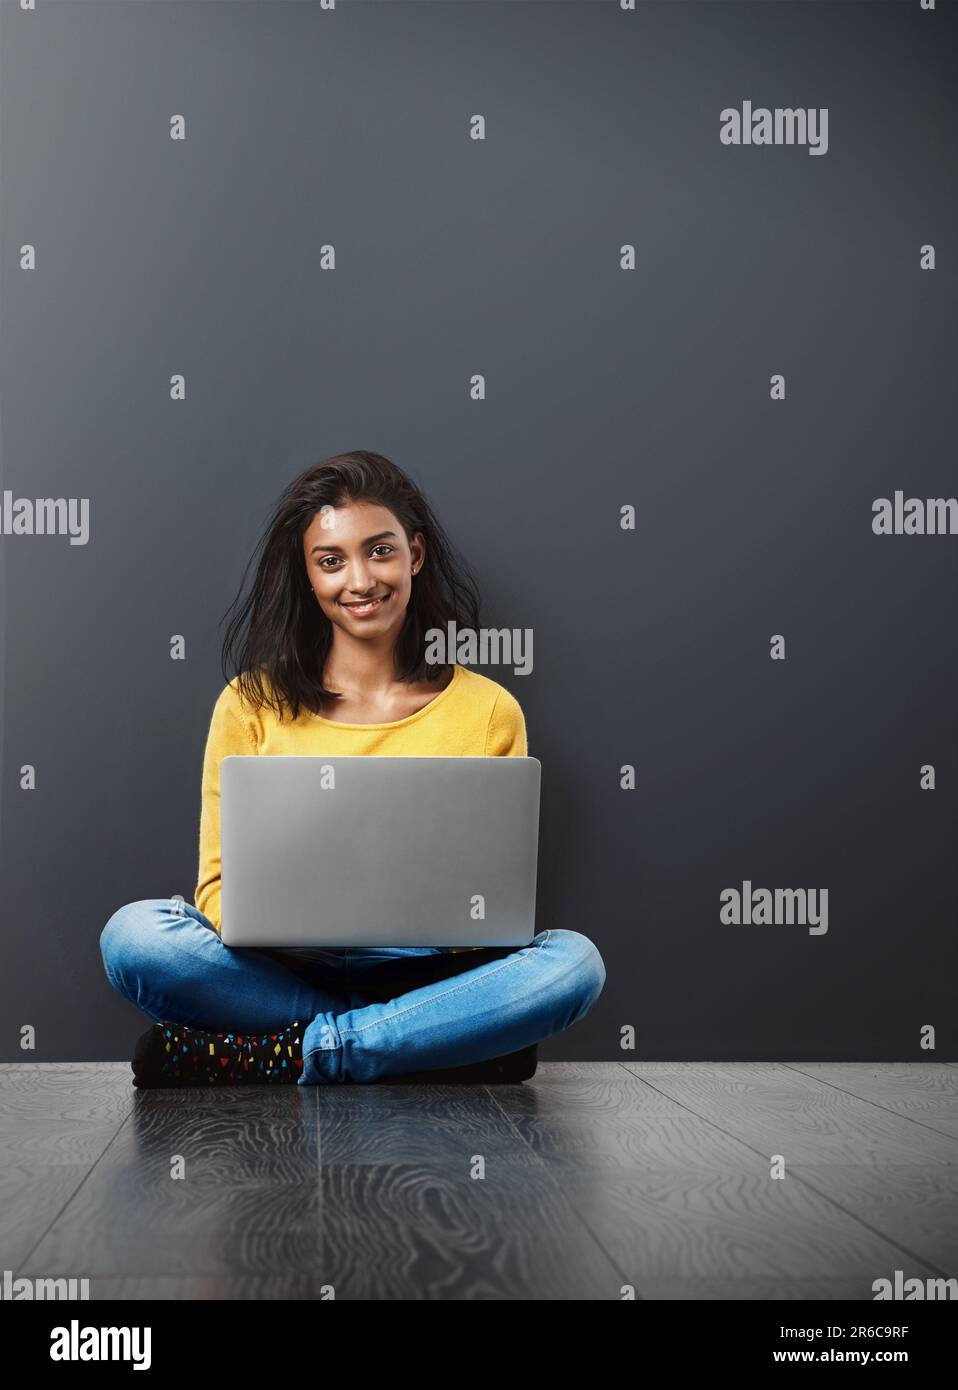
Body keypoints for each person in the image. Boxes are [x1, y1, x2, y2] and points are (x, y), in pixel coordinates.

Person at [100, 450, 605, 1086]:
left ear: (414, 555)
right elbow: (214, 892)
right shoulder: (250, 704)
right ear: (309, 577)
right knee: (137, 938)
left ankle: (302, 1051)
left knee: (574, 964)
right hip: (282, 971)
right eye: (331, 561)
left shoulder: (488, 709)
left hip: (426, 969)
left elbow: (494, 913)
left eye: (380, 551)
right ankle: (432, 1039)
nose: (360, 580)